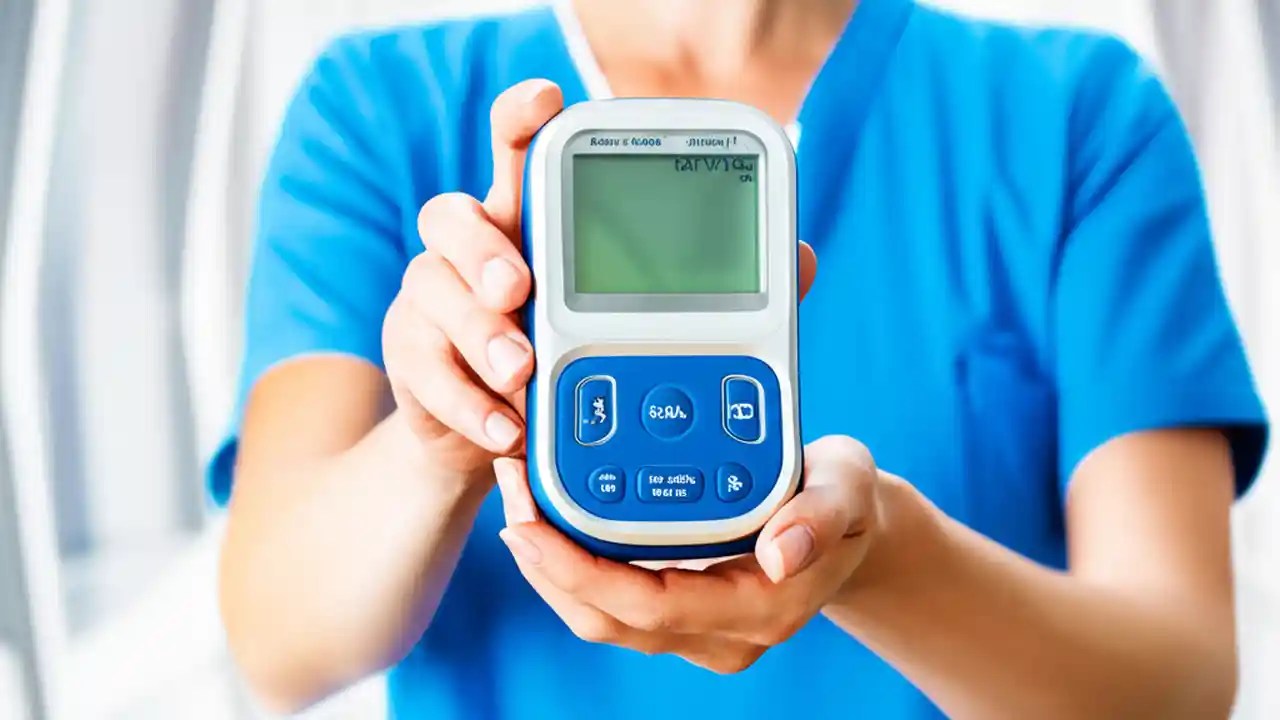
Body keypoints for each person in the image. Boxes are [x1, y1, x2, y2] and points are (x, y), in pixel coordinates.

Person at [212, 0, 1270, 717]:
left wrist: (887, 557)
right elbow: (278, 637)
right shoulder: (369, 110)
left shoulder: (1078, 115)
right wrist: (440, 438)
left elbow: (1175, 680)